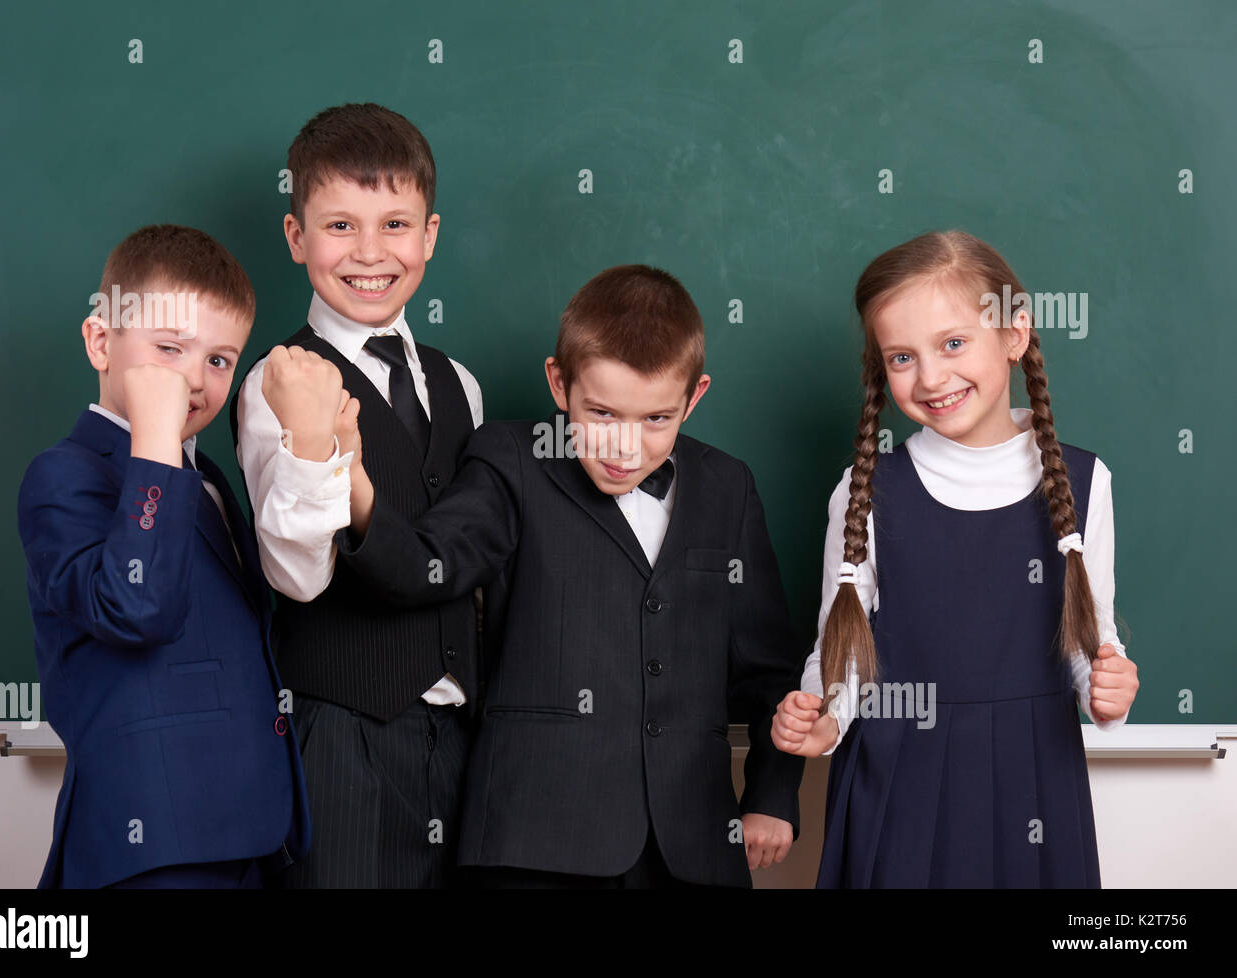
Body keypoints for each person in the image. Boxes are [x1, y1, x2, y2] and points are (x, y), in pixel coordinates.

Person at [266, 264, 804, 887]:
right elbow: (421, 568)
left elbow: (768, 669)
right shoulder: (512, 460)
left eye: (657, 419)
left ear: (695, 396)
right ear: (559, 383)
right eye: (601, 413)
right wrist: (349, 472)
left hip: (695, 844)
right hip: (535, 842)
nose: (625, 447)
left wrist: (772, 789)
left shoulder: (728, 486)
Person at [772, 230, 1139, 888]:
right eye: (902, 357)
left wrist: (1110, 694)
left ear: (1014, 335)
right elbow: (841, 654)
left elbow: (1092, 643)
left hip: (1035, 788)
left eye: (952, 343)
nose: (932, 377)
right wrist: (821, 722)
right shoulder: (865, 492)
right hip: (897, 784)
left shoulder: (1087, 482)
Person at [232, 102, 484, 887]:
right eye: (339, 226)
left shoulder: (459, 384)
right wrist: (317, 446)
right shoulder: (274, 383)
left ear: (430, 235)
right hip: (340, 733)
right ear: (296, 237)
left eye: (395, 225)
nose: (370, 253)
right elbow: (297, 576)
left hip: (460, 738)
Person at [18, 224, 309, 888]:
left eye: (220, 360)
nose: (195, 380)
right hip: (153, 840)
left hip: (252, 831)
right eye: (169, 349)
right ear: (101, 342)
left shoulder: (205, 483)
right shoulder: (64, 477)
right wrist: (153, 439)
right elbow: (137, 607)